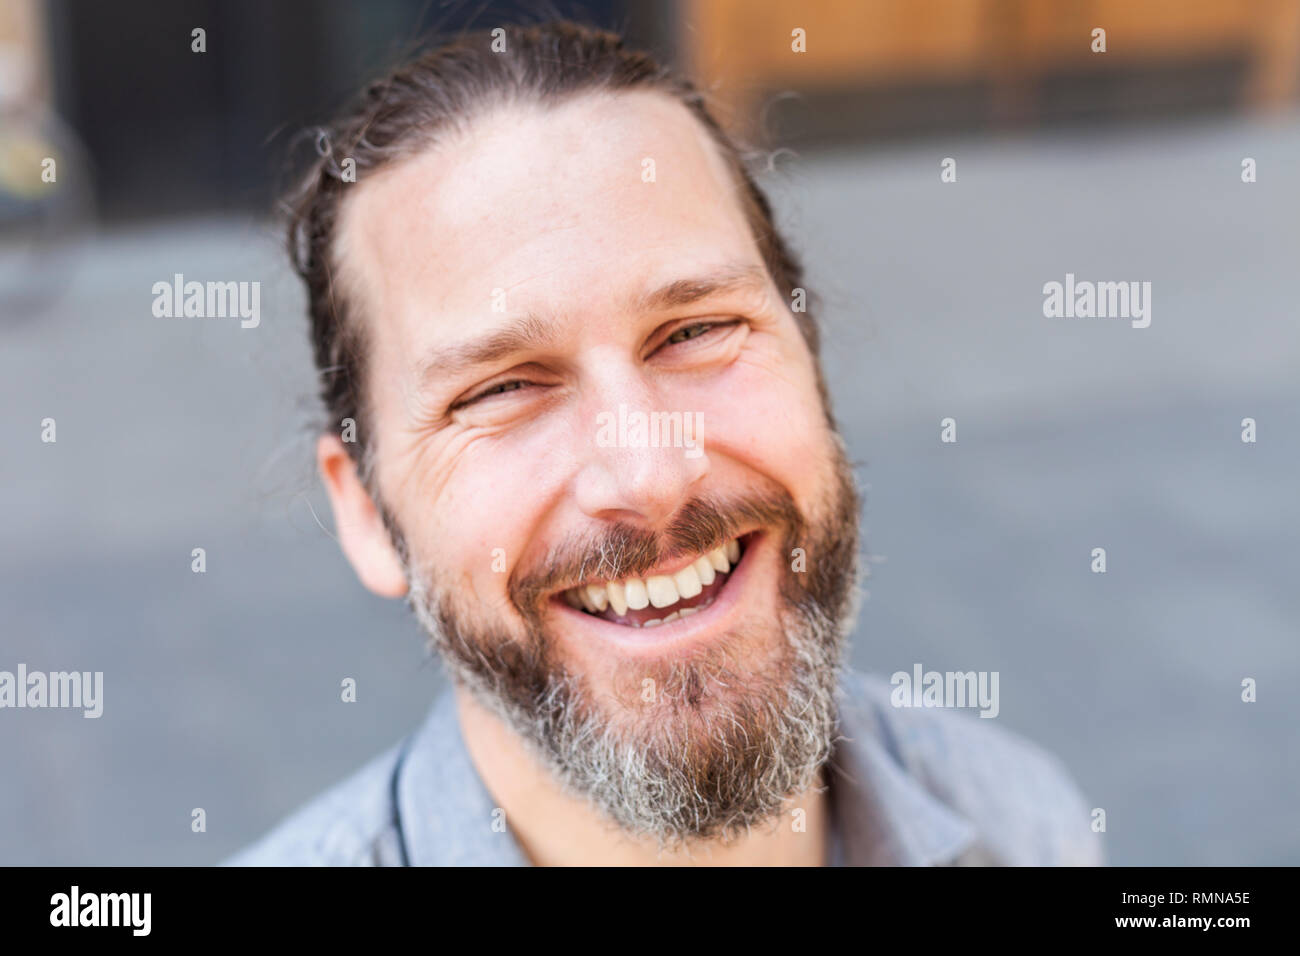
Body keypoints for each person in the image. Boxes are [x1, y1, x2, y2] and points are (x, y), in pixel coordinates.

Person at [226, 20, 1100, 866]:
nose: (650, 474)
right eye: (502, 389)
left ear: (813, 365)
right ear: (366, 513)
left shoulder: (1021, 825)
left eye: (696, 331)